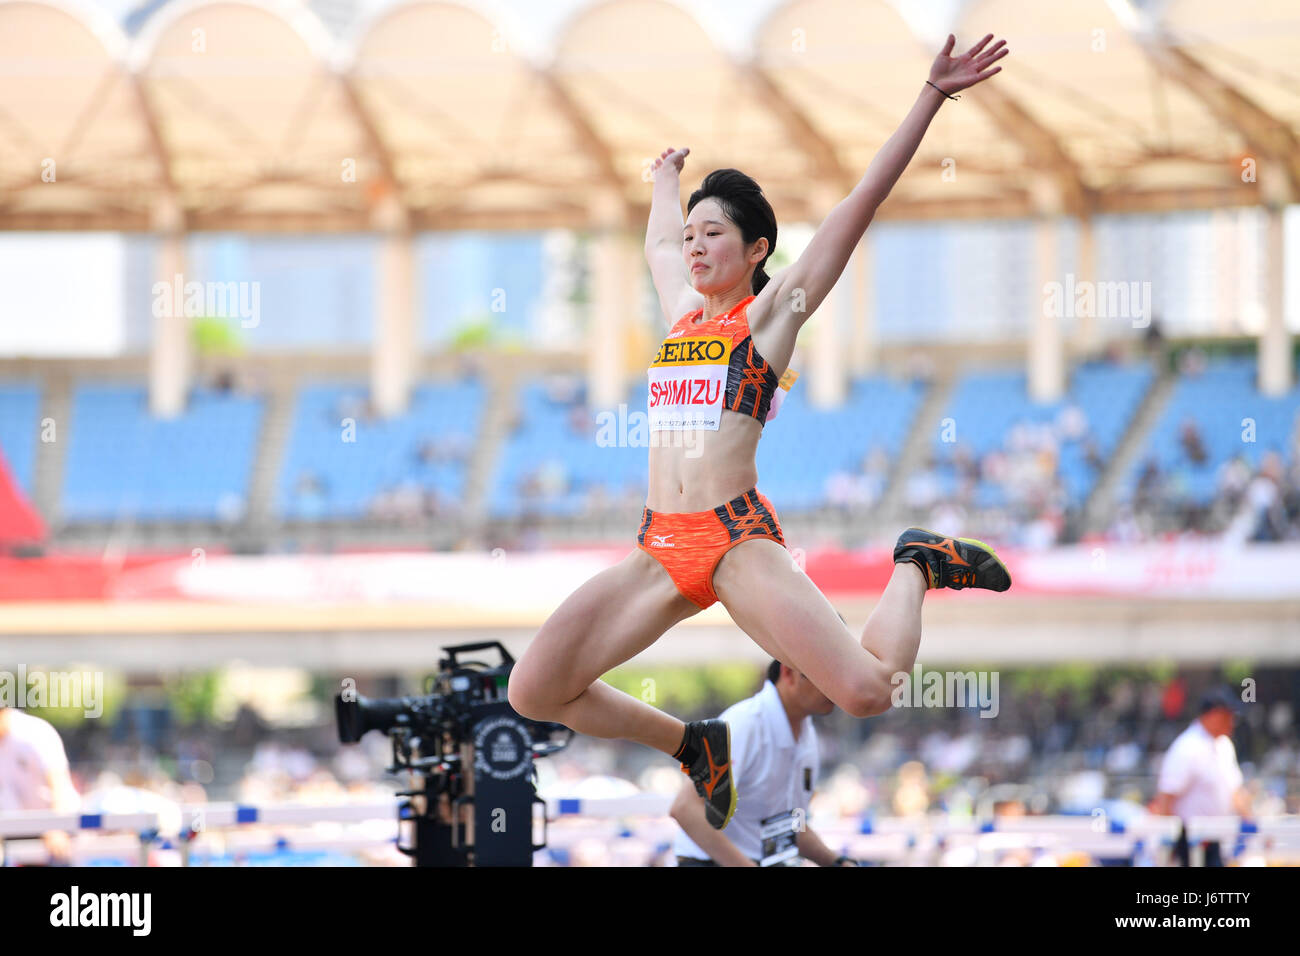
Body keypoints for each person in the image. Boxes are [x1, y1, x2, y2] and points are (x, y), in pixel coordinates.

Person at [508, 33, 1011, 831]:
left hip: (734, 541)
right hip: (659, 548)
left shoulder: (772, 317)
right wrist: (665, 180)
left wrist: (931, 96)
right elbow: (657, 242)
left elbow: (858, 205)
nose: (694, 246)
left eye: (713, 234)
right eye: (692, 235)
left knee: (867, 692)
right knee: (533, 691)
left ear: (756, 251)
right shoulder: (680, 314)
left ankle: (918, 563)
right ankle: (695, 745)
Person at [671, 620, 852, 867]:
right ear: (788, 673)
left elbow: (789, 826)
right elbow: (686, 808)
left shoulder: (806, 734)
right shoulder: (743, 724)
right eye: (826, 672)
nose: (838, 684)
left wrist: (838, 862)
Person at [1149, 686, 1252, 866]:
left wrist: (1251, 824)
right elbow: (1166, 797)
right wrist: (1170, 841)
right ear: (1213, 714)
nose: (1232, 721)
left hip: (1216, 835)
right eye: (1227, 715)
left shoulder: (1224, 745)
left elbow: (1235, 790)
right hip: (1189, 838)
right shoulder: (1188, 747)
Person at [0, 703, 81, 864]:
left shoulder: (34, 732)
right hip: (18, 830)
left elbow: (59, 784)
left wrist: (56, 826)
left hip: (55, 825)